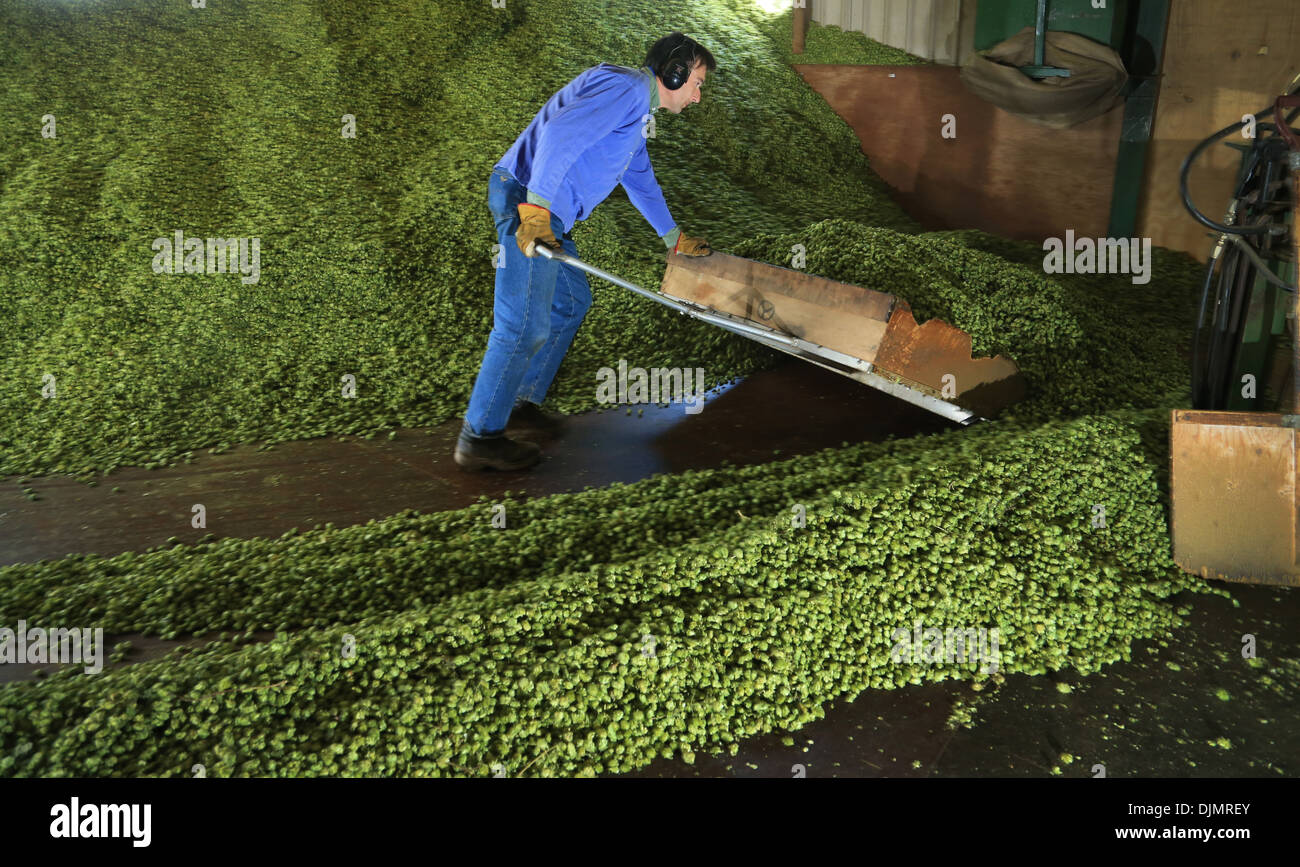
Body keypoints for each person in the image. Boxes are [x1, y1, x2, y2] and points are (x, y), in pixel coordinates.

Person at [455, 32, 716, 471]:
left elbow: (639, 179)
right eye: (697, 82)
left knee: (573, 301)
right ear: (674, 72)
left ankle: (521, 401)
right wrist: (535, 211)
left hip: (547, 211)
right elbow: (560, 134)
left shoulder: (635, 116)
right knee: (523, 324)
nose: (698, 96)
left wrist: (674, 238)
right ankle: (479, 436)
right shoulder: (627, 87)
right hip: (529, 201)